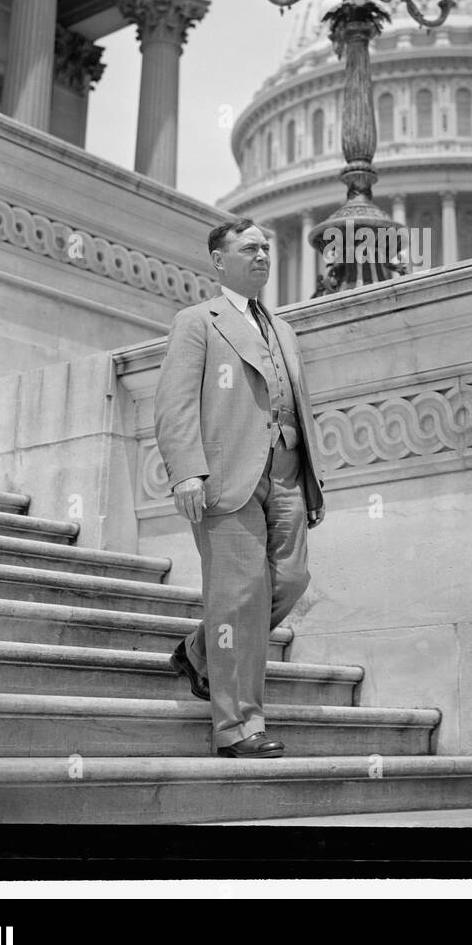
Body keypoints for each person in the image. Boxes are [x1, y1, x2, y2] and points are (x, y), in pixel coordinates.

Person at [154, 218, 325, 757]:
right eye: (250, 248)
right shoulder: (196, 322)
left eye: (266, 248)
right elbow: (174, 402)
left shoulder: (283, 327)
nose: (263, 255)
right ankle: (237, 728)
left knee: (291, 581)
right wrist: (186, 469)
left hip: (287, 474)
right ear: (218, 260)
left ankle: (199, 651)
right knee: (238, 597)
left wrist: (310, 475)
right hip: (227, 478)